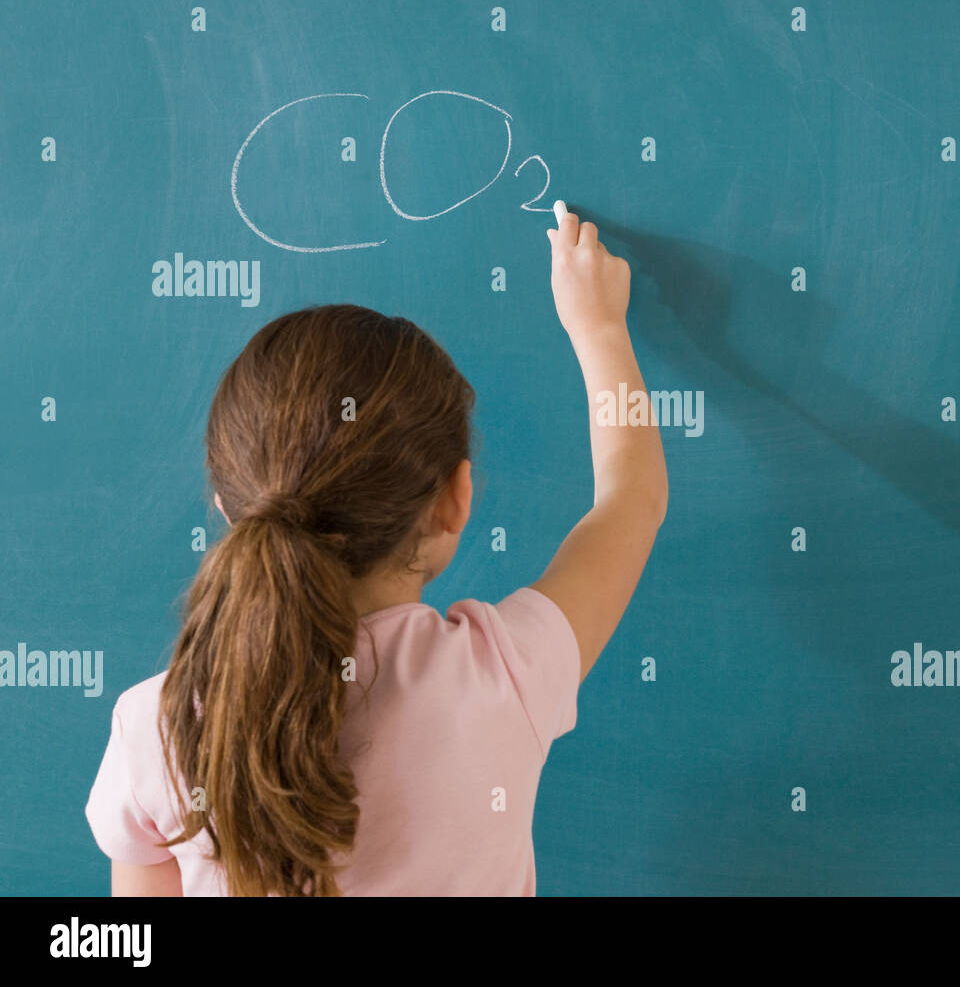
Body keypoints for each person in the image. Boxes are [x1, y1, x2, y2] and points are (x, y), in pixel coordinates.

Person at [84, 207, 668, 895]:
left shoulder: (158, 729)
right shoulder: (501, 676)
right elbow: (633, 502)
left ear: (227, 511)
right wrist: (599, 326)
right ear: (455, 501)